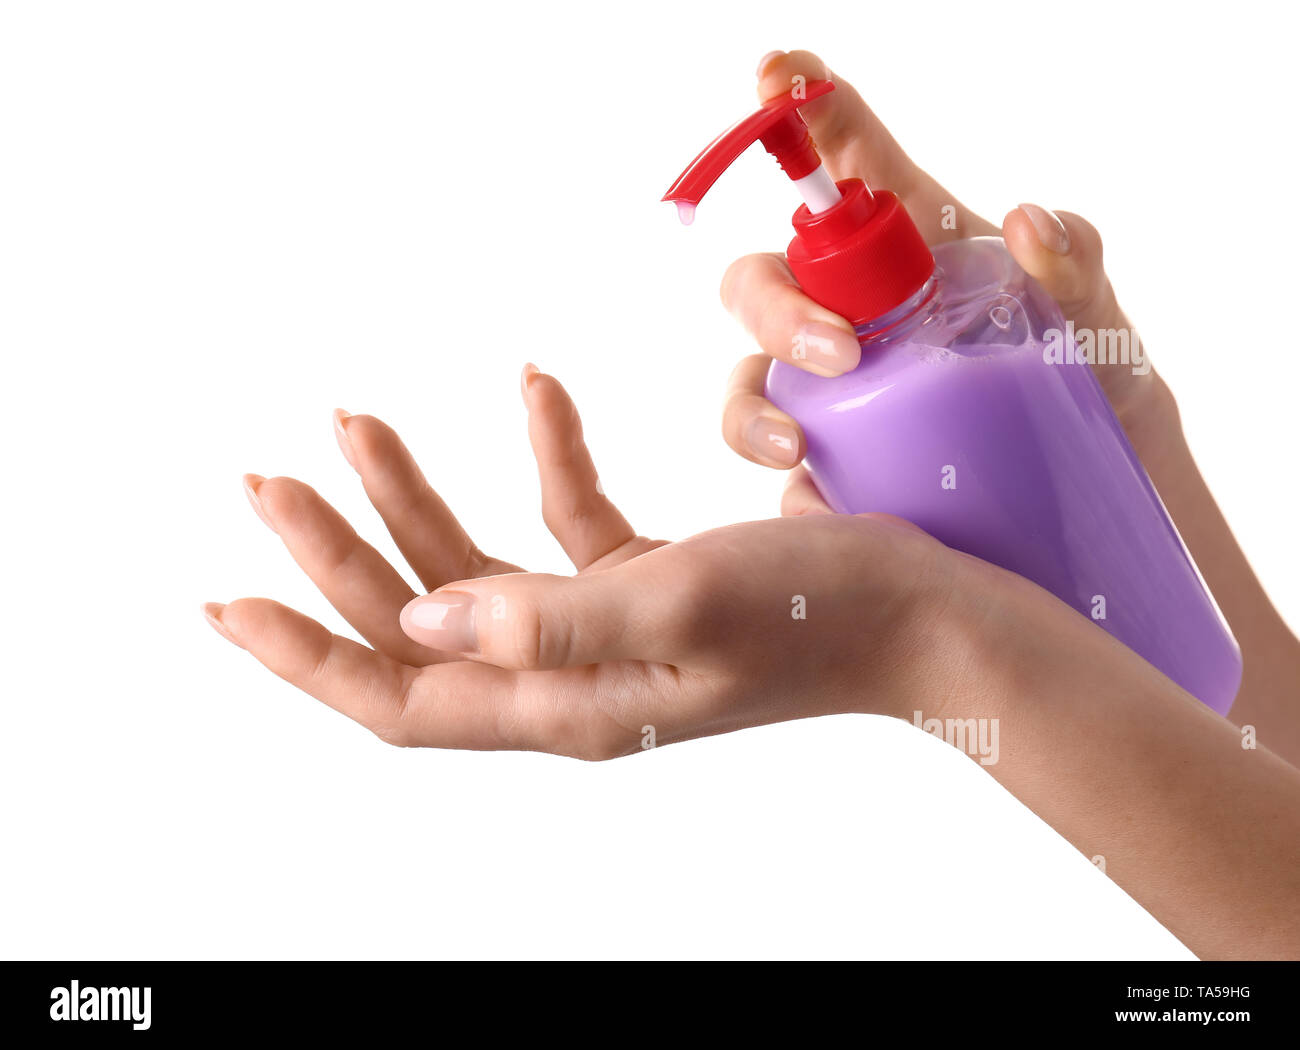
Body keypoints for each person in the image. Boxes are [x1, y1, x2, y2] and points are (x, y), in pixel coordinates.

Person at [203, 51, 1300, 959]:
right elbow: (1259, 762)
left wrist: (930, 632)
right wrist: (1124, 419)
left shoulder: (989, 313)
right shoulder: (1003, 304)